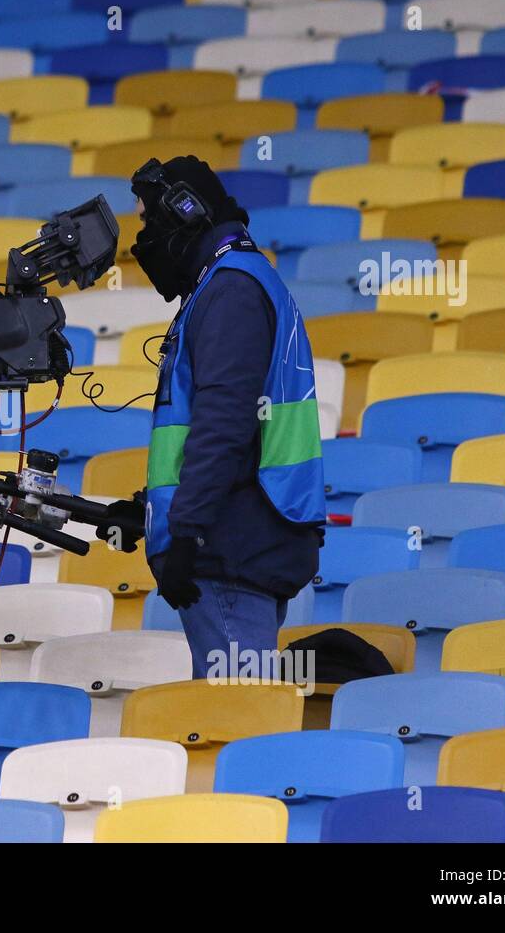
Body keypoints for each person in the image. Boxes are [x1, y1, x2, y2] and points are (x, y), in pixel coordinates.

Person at [102, 156, 326, 678]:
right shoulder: (234, 282)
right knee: (239, 714)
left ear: (185, 214)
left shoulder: (230, 291)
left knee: (236, 719)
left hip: (229, 549)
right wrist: (151, 512)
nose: (143, 239)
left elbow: (226, 423)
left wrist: (186, 532)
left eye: (149, 220)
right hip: (235, 534)